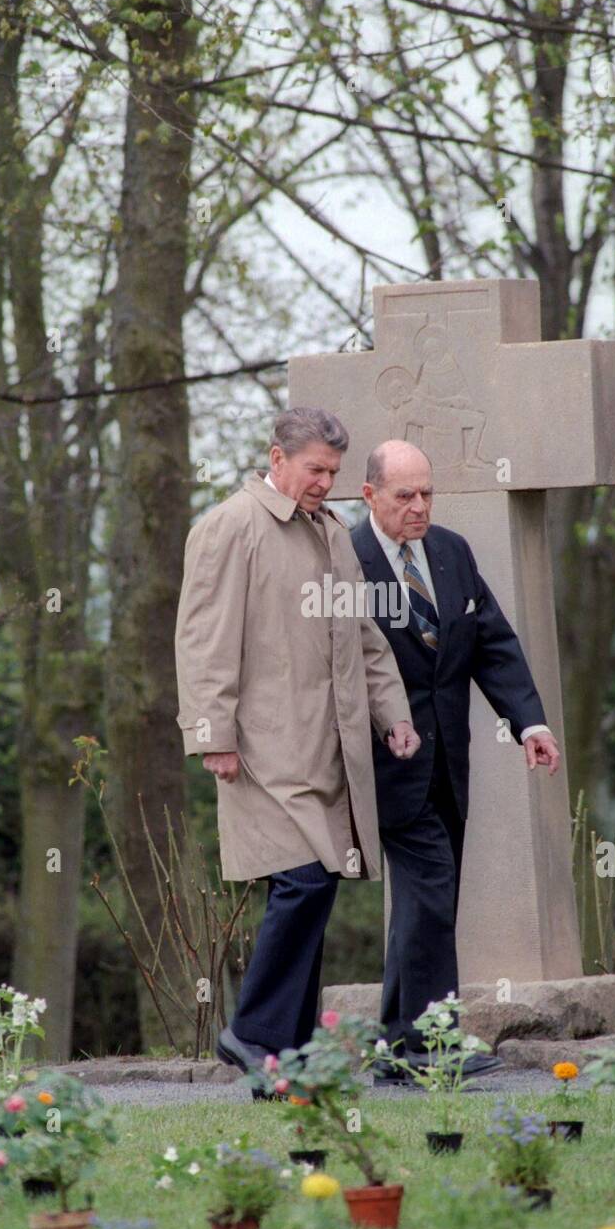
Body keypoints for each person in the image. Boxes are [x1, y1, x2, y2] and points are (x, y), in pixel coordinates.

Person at [174, 409, 419, 1073]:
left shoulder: (333, 534)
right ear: (276, 458)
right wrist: (211, 733)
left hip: (331, 747)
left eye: (334, 473)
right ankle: (252, 1032)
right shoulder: (230, 527)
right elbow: (203, 639)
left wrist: (392, 714)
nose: (325, 483)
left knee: (318, 881)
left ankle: (285, 1048)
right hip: (263, 747)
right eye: (315, 470)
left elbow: (365, 638)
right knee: (305, 878)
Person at [351, 440, 561, 1084]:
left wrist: (528, 720)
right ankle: (428, 1045)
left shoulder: (451, 552)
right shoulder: (344, 561)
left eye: (427, 493)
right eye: (404, 496)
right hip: (378, 763)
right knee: (431, 892)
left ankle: (397, 1045)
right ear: (369, 497)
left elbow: (492, 642)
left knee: (429, 899)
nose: (419, 507)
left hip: (449, 761)